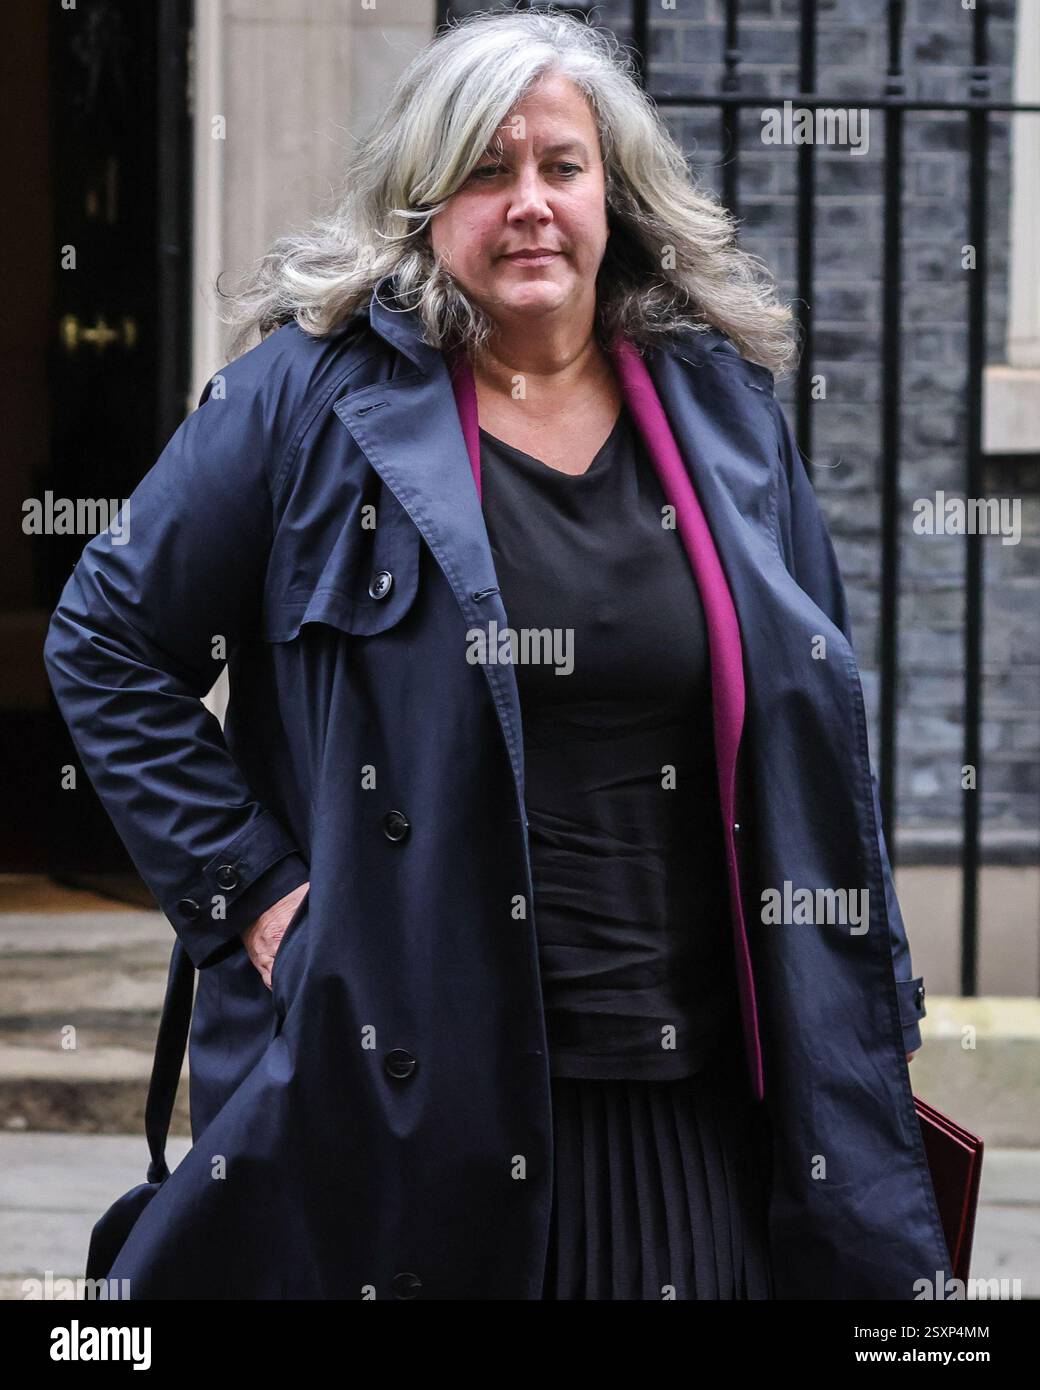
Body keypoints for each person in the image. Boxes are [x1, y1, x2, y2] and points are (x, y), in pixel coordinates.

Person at [44, 8, 942, 1300]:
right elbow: (105, 634)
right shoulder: (306, 399)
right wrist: (257, 897)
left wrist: (859, 1001)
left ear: (613, 195)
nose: (529, 203)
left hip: (690, 1114)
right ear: (423, 203)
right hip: (411, 1102)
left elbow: (816, 750)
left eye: (560, 167)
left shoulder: (727, 413)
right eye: (485, 169)